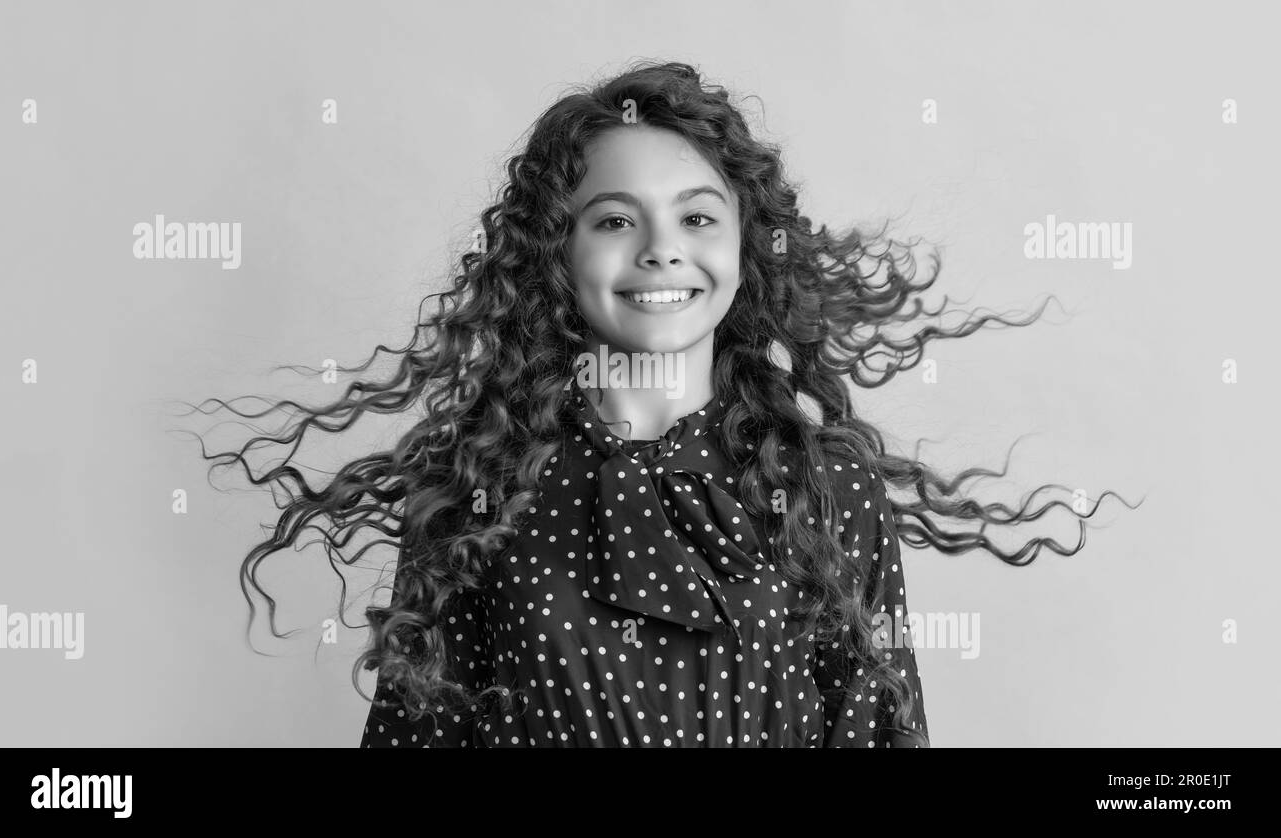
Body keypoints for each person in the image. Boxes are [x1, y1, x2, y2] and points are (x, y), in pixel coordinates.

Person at [201, 60, 1116, 748]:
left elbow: (881, 729)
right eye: (613, 219)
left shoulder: (831, 489)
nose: (661, 250)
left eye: (697, 216)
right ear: (556, 256)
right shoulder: (474, 490)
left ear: (745, 247)